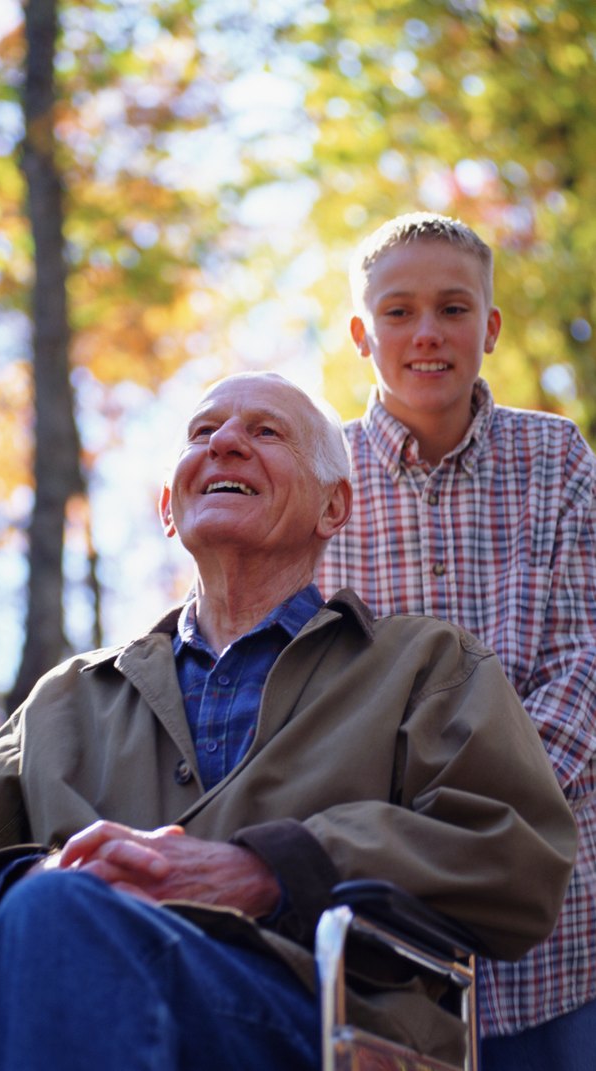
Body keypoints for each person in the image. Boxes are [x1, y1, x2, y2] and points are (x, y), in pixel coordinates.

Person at [0, 372, 576, 1071]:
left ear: (333, 507)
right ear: (167, 506)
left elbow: (511, 854)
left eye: (265, 432)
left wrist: (271, 870)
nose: (225, 446)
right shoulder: (63, 698)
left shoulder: (423, 665)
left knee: (63, 916)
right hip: (44, 981)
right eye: (201, 433)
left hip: (315, 1012)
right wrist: (29, 878)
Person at [316, 211, 596, 1070]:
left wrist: (472, 820)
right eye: (397, 312)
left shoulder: (555, 459)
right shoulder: (319, 481)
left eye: (452, 307)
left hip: (564, 923)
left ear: (490, 326)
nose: (426, 333)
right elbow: (304, 699)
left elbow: (584, 664)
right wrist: (405, 838)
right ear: (362, 334)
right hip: (387, 946)